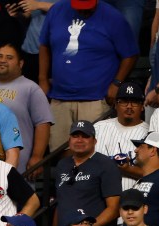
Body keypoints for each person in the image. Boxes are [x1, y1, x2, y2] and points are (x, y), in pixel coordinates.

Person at [38, 0, 139, 148]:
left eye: (88, 8)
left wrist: (117, 83)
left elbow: (130, 54)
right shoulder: (56, 11)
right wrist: (42, 79)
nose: (84, 12)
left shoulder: (112, 17)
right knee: (59, 152)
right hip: (59, 97)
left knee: (94, 153)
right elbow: (44, 45)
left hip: (95, 99)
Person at [50, 121, 122, 226]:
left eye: (85, 136)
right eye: (75, 136)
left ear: (94, 141)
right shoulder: (62, 165)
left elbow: (114, 209)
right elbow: (61, 203)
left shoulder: (106, 165)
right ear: (69, 140)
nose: (79, 140)